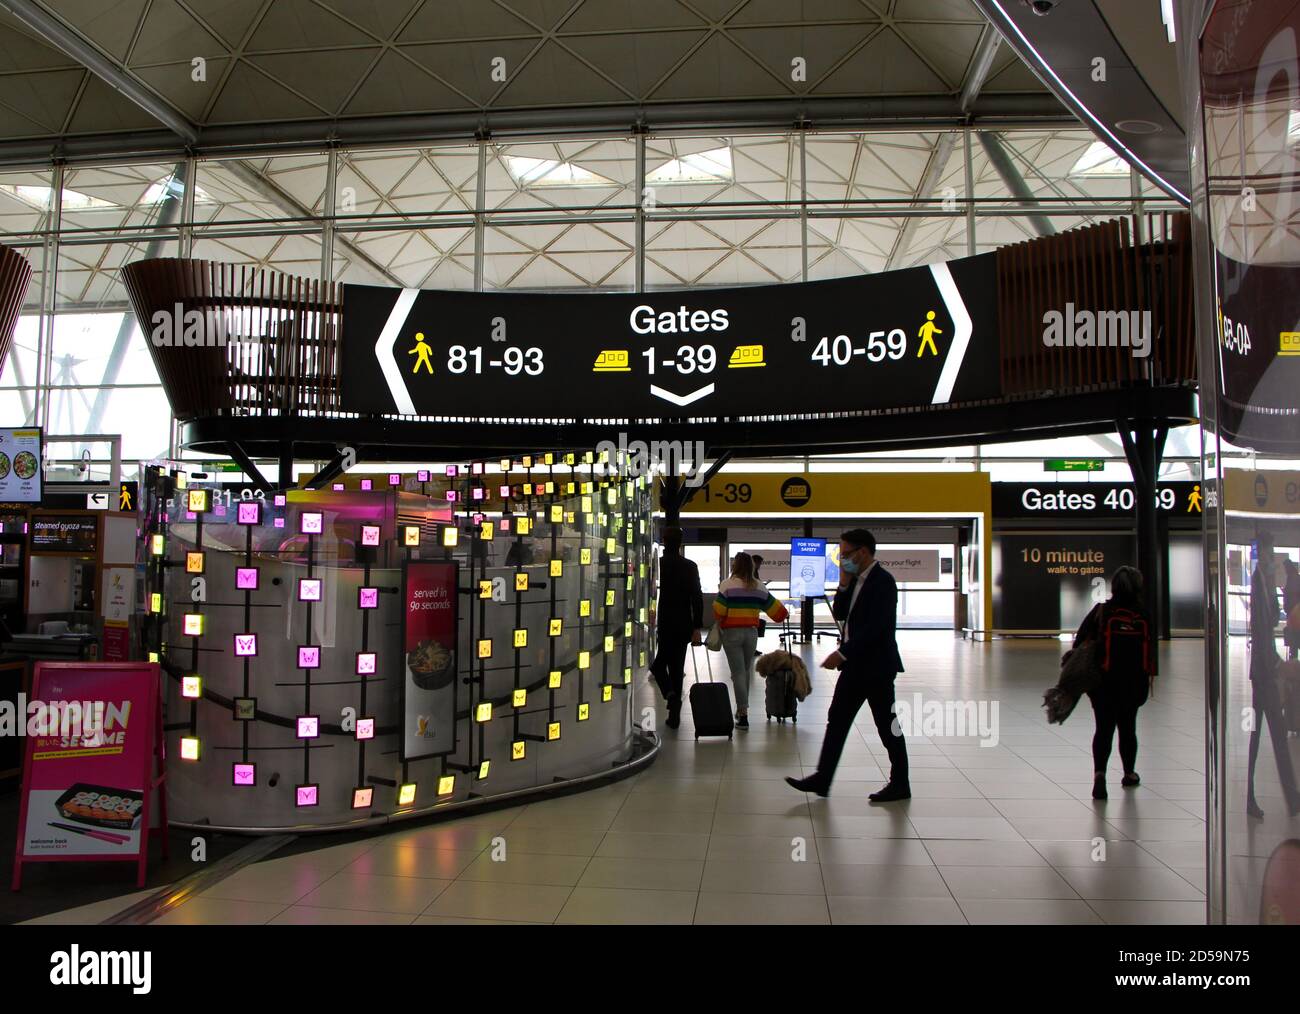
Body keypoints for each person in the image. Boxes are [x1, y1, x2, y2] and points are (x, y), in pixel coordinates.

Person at [787, 529, 910, 801]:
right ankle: (823, 778)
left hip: (876, 666)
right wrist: (843, 582)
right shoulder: (855, 580)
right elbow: (841, 613)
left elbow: (876, 628)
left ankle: (900, 782)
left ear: (863, 552)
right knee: (837, 719)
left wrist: (843, 653)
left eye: (846, 555)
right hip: (856, 666)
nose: (843, 559)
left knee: (886, 724)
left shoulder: (883, 582)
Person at [1071, 566, 1154, 800]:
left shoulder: (1102, 611)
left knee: (1103, 729)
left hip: (1103, 683)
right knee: (1128, 728)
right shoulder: (1143, 615)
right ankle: (1129, 773)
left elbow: (1080, 641)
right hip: (1133, 683)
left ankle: (1099, 776)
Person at [1246, 532, 1300, 818]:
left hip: (1265, 672)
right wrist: (1279, 666)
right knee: (1266, 735)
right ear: (1262, 553)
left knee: (1270, 735)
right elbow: (1261, 634)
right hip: (1263, 673)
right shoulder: (1256, 584)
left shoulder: (1266, 583)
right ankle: (1284, 797)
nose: (1271, 559)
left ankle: (1288, 797)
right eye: (1269, 553)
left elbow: (1271, 623)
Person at [713, 551, 788, 728]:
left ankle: (743, 713)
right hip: (751, 633)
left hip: (731, 634)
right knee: (745, 671)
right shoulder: (759, 587)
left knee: (738, 673)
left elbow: (719, 611)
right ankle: (742, 709)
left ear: (735, 566)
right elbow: (779, 614)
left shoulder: (727, 585)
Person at [649, 526, 702, 729]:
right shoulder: (690, 566)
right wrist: (697, 625)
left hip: (664, 621)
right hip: (683, 623)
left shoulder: (659, 564)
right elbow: (696, 597)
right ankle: (674, 713)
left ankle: (671, 696)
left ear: (664, 540)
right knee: (677, 666)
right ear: (680, 542)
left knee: (658, 664)